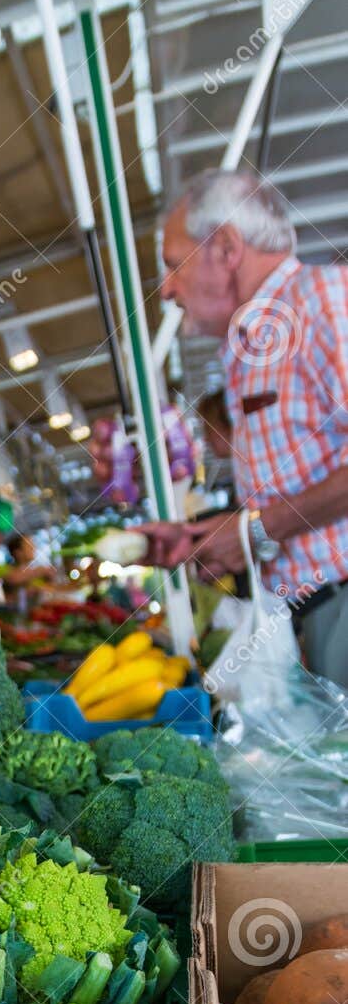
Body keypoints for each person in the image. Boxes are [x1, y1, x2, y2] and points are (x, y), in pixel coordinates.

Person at [149, 167, 348, 685]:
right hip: (312, 614)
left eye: (174, 266)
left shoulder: (323, 301)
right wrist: (206, 535)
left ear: (225, 247)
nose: (167, 290)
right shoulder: (250, 349)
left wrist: (256, 529)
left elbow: (274, 519)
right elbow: (297, 485)